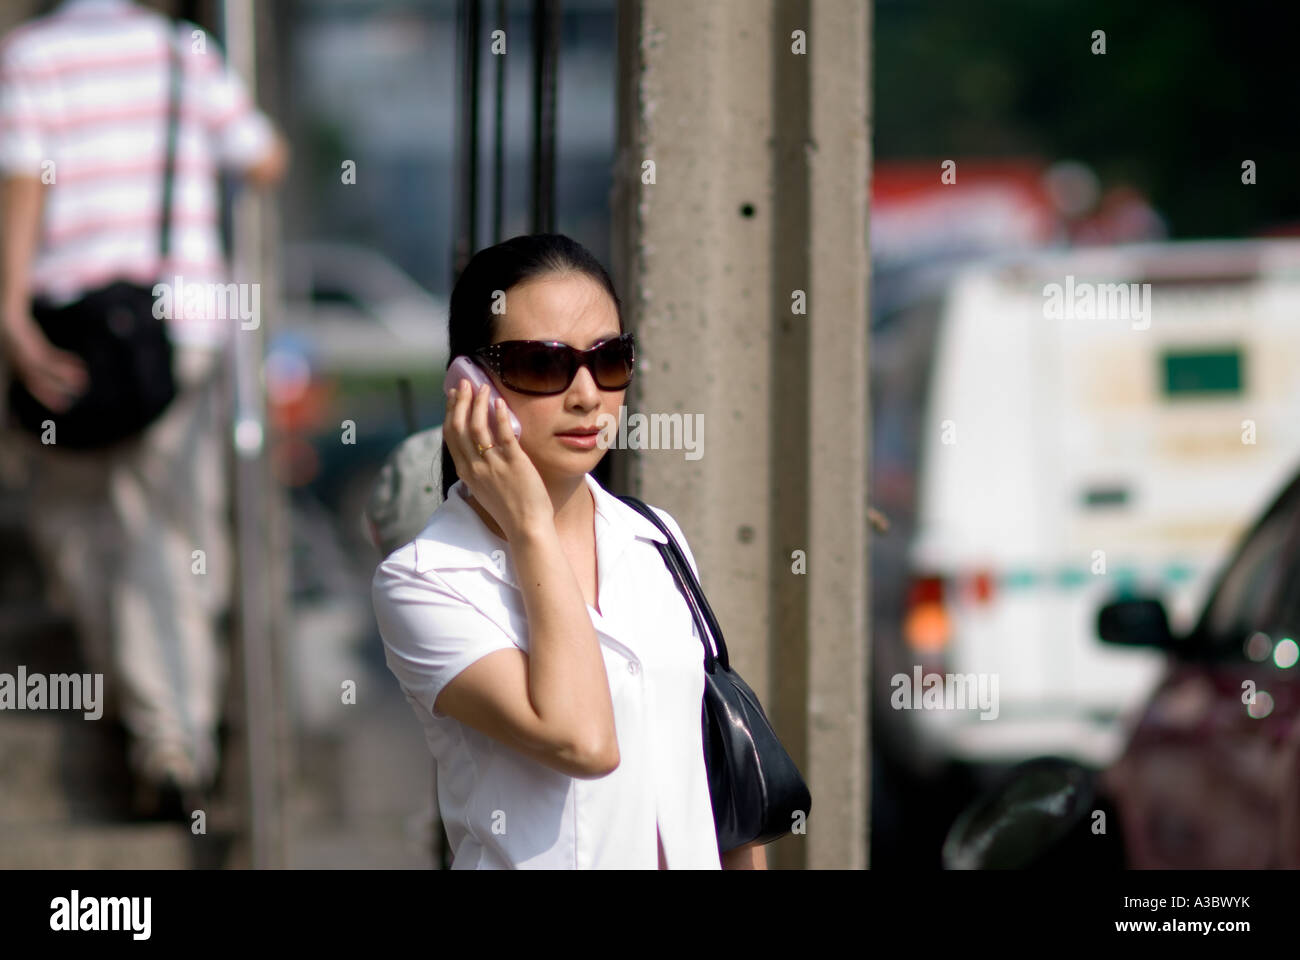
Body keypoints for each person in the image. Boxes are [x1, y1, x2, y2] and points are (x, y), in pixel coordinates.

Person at [371, 233, 767, 869]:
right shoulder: (426, 580)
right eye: (542, 364)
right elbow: (583, 740)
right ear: (469, 385)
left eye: (608, 359)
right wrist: (530, 522)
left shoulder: (655, 538)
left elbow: (720, 784)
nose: (586, 394)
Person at [0, 0, 286, 819]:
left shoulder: (30, 56)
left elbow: (24, 179)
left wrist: (10, 312)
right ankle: (169, 729)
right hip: (178, 329)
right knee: (168, 535)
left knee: (79, 530)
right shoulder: (183, 53)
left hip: (72, 338)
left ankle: (160, 731)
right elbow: (264, 157)